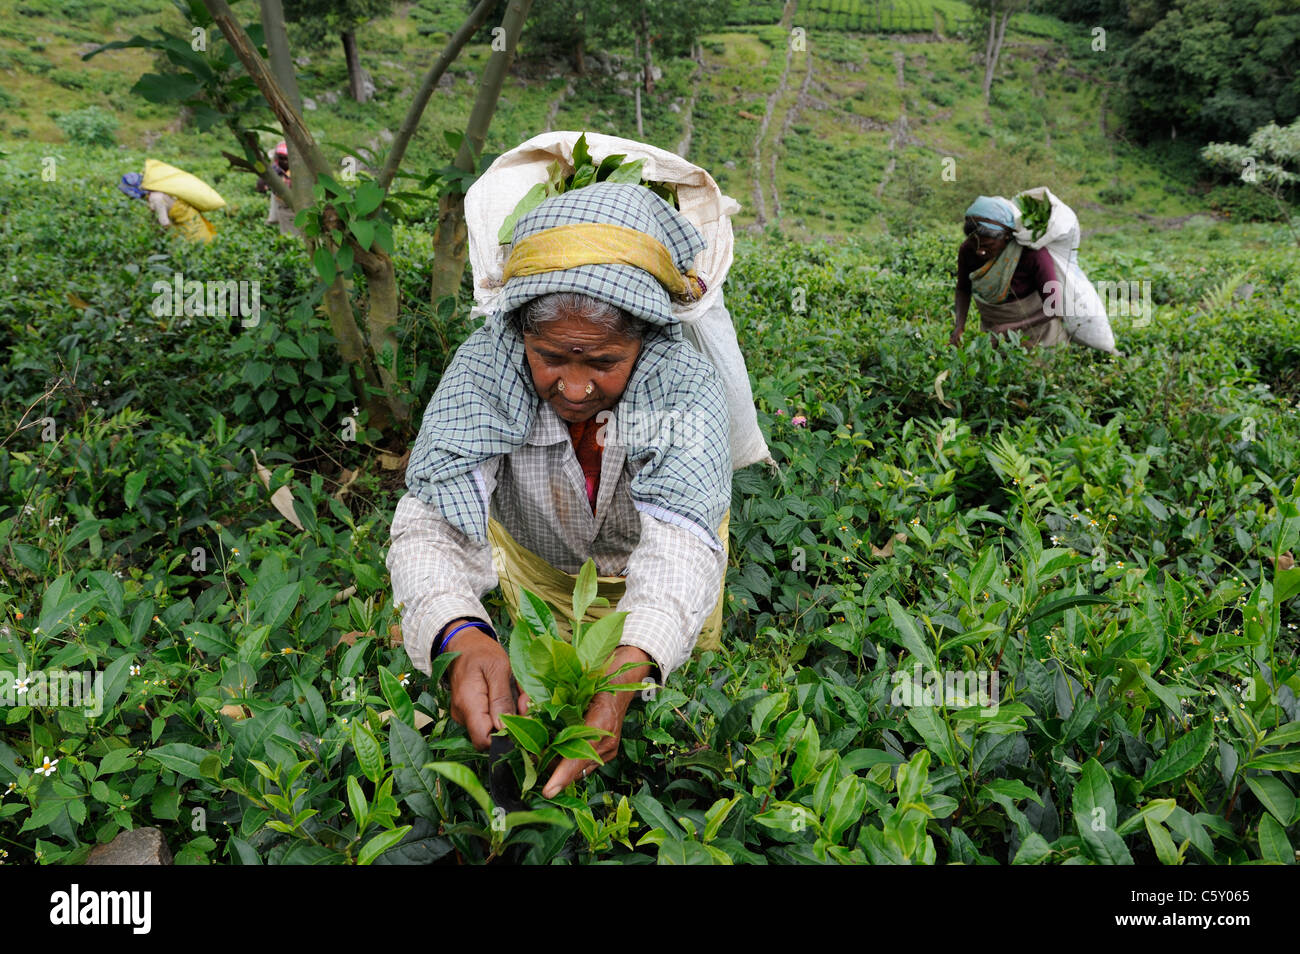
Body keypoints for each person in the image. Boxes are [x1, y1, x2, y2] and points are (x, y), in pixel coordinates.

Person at [387, 182, 732, 799]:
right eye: (552, 358)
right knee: (545, 701)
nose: (574, 389)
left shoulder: (683, 385)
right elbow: (429, 520)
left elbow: (681, 547)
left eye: (601, 362)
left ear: (644, 341)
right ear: (522, 338)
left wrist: (632, 664)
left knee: (663, 711)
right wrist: (458, 632)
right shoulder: (486, 368)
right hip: (542, 569)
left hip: (650, 571)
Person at [950, 195, 1068, 348]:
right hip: (993, 332)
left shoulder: (1033, 254)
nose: (979, 251)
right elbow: (963, 289)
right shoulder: (967, 250)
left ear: (1006, 236)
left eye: (988, 245)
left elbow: (1054, 307)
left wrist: (1012, 327)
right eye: (974, 242)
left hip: (1038, 335)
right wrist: (959, 326)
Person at [118, 170, 216, 243]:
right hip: (190, 218)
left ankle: (180, 272)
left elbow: (164, 223)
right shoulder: (156, 190)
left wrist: (158, 240)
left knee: (185, 255)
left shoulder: (155, 198)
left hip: (188, 224)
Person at [257, 141, 297, 235]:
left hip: (295, 205)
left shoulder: (298, 170)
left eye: (287, 158)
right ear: (277, 158)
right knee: (288, 232)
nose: (285, 161)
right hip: (282, 204)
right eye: (281, 158)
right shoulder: (275, 169)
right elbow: (260, 186)